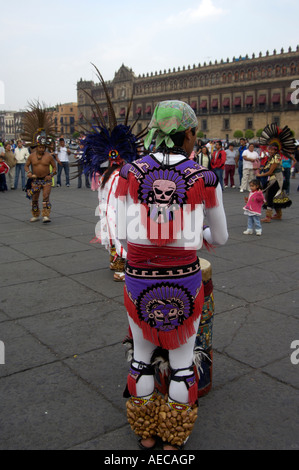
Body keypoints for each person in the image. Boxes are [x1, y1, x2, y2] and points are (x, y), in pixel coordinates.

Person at [116, 100, 228, 450]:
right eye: (195, 133)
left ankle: (146, 434)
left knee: (141, 357)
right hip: (183, 280)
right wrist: (200, 235)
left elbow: (121, 234)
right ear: (188, 133)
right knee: (182, 362)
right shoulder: (204, 176)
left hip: (138, 281)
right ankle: (173, 439)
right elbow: (221, 237)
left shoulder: (129, 172)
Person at [24, 133, 57, 223]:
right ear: (37, 147)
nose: (42, 149)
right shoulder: (31, 156)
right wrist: (29, 172)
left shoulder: (48, 156)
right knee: (34, 198)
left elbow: (55, 168)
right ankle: (35, 215)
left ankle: (46, 215)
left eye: (43, 147)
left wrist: (51, 175)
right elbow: (26, 166)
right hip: (35, 180)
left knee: (45, 197)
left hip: (46, 180)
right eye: (40, 147)